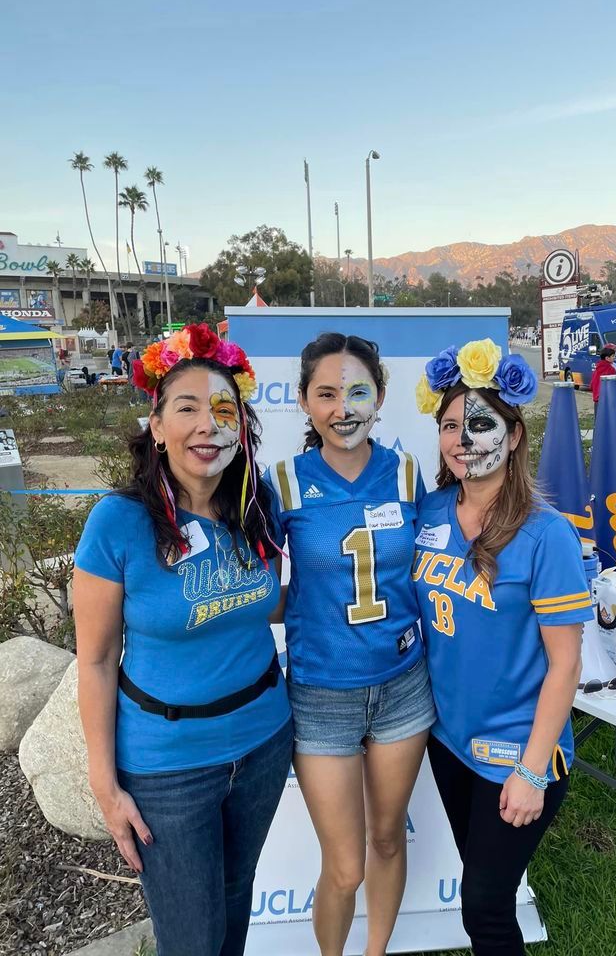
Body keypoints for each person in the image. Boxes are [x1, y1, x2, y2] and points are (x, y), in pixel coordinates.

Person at [73, 324, 292, 956]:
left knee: (234, 902)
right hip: (167, 766)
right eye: (187, 407)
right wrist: (104, 783)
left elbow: (266, 604)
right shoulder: (119, 522)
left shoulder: (257, 502)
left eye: (223, 409)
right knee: (192, 937)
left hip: (262, 743)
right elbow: (94, 660)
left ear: (241, 425)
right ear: (157, 423)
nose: (207, 424)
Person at [413, 340, 594, 956]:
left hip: (517, 749)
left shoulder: (548, 536)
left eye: (481, 423)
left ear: (515, 436)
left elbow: (566, 663)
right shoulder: (429, 511)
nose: (465, 439)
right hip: (450, 742)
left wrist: (531, 768)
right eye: (450, 426)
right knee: (484, 890)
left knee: (485, 911)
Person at [265, 333, 435, 956]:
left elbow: (436, 566)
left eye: (358, 391)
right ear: (306, 403)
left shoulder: (411, 473)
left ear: (381, 397)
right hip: (320, 696)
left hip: (402, 688)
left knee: (387, 839)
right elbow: (257, 586)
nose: (344, 407)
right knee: (345, 868)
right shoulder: (280, 482)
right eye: (328, 393)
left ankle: (377, 951)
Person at [590, 345, 616, 412]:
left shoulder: (597, 368)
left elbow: (592, 384)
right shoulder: (611, 369)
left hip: (597, 398)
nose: (614, 357)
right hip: (608, 399)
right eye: (613, 356)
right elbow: (614, 384)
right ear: (607, 358)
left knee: (598, 420)